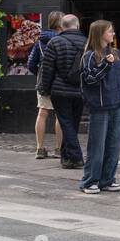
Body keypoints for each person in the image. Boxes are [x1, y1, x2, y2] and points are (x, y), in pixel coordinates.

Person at [78, 20, 120, 194]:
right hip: (100, 106)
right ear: (100, 34)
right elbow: (90, 79)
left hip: (117, 104)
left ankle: (107, 179)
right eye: (110, 31)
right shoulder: (90, 56)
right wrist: (105, 65)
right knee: (97, 145)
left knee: (114, 145)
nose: (113, 34)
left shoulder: (115, 53)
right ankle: (90, 180)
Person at [36, 14, 87, 169]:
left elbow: (48, 69)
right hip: (80, 90)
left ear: (62, 27)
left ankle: (76, 156)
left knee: (66, 123)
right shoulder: (87, 42)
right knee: (73, 123)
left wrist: (45, 88)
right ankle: (66, 157)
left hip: (60, 90)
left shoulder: (55, 42)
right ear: (77, 26)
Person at [28, 10, 64, 159]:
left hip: (44, 81)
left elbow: (31, 63)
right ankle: (58, 149)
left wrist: (39, 74)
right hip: (60, 81)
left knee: (42, 113)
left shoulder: (40, 41)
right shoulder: (63, 39)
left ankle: (40, 148)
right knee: (60, 116)